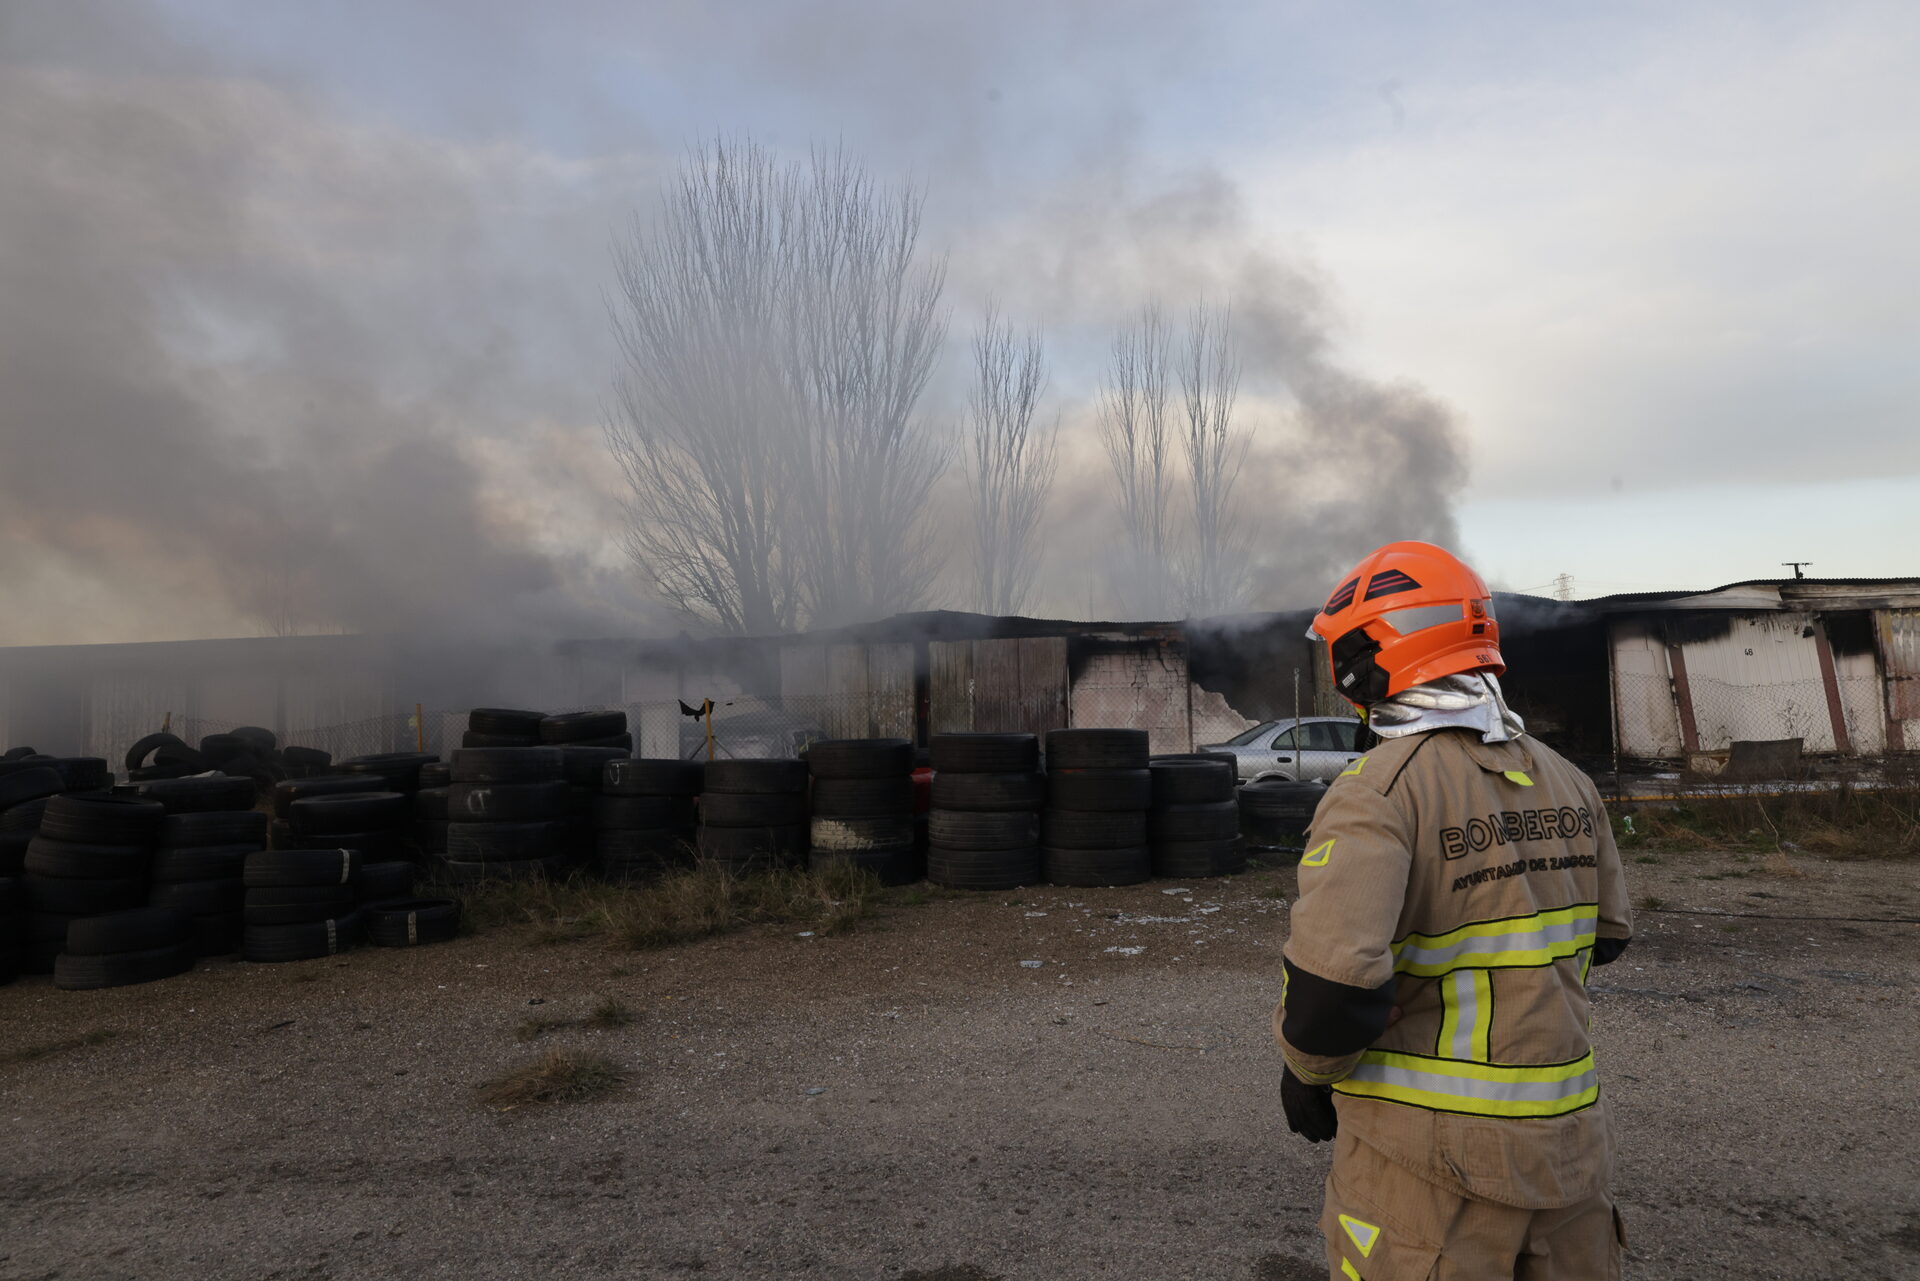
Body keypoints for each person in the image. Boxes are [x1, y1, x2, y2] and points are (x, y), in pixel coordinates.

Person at [1274, 541, 1633, 1279]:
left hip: (1435, 1175)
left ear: (1366, 660)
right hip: (1570, 1160)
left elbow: (1333, 995)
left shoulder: (1378, 792)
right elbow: (1608, 939)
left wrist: (1307, 1072)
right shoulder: (1565, 780)